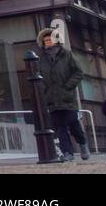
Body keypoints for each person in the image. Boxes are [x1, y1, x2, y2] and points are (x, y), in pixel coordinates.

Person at [37, 28, 89, 162]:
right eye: (45, 40)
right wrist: (44, 89)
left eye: (50, 39)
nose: (48, 42)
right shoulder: (41, 59)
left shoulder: (67, 55)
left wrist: (68, 86)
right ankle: (67, 153)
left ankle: (82, 143)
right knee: (60, 127)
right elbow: (38, 77)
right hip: (52, 99)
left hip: (67, 97)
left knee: (73, 123)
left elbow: (78, 72)